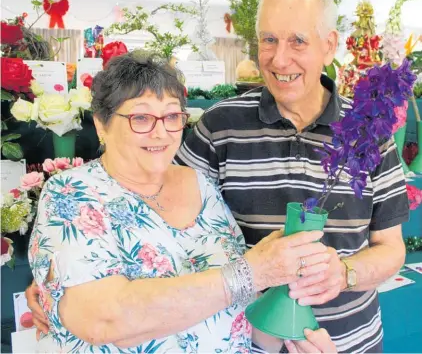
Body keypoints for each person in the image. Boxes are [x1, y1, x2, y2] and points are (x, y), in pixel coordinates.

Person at [26, 54, 336, 353]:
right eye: (142, 117)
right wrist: (250, 272)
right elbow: (104, 319)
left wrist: (289, 335)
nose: (161, 131)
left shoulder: (200, 184)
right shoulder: (71, 194)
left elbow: (243, 308)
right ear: (102, 124)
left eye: (172, 115)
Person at [174, 0, 408, 353]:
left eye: (298, 40)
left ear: (329, 46)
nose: (279, 59)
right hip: (242, 343)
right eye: (268, 40)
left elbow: (391, 248)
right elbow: (168, 228)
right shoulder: (218, 127)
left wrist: (345, 274)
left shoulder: (369, 133)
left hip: (349, 344)